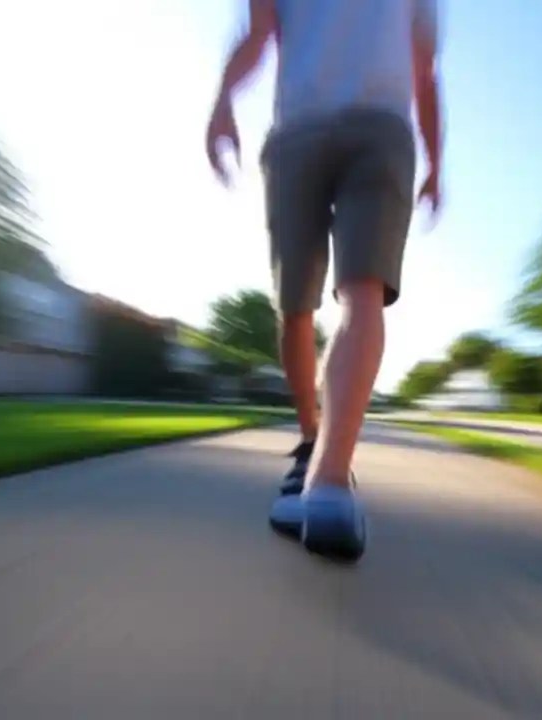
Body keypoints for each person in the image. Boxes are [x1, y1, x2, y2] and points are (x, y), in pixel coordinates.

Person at [205, 0, 443, 560]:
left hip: (301, 128)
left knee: (297, 305)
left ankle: (314, 446)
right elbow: (423, 69)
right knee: (361, 296)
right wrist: (436, 162)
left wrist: (221, 101)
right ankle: (329, 482)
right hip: (382, 127)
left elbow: (259, 34)